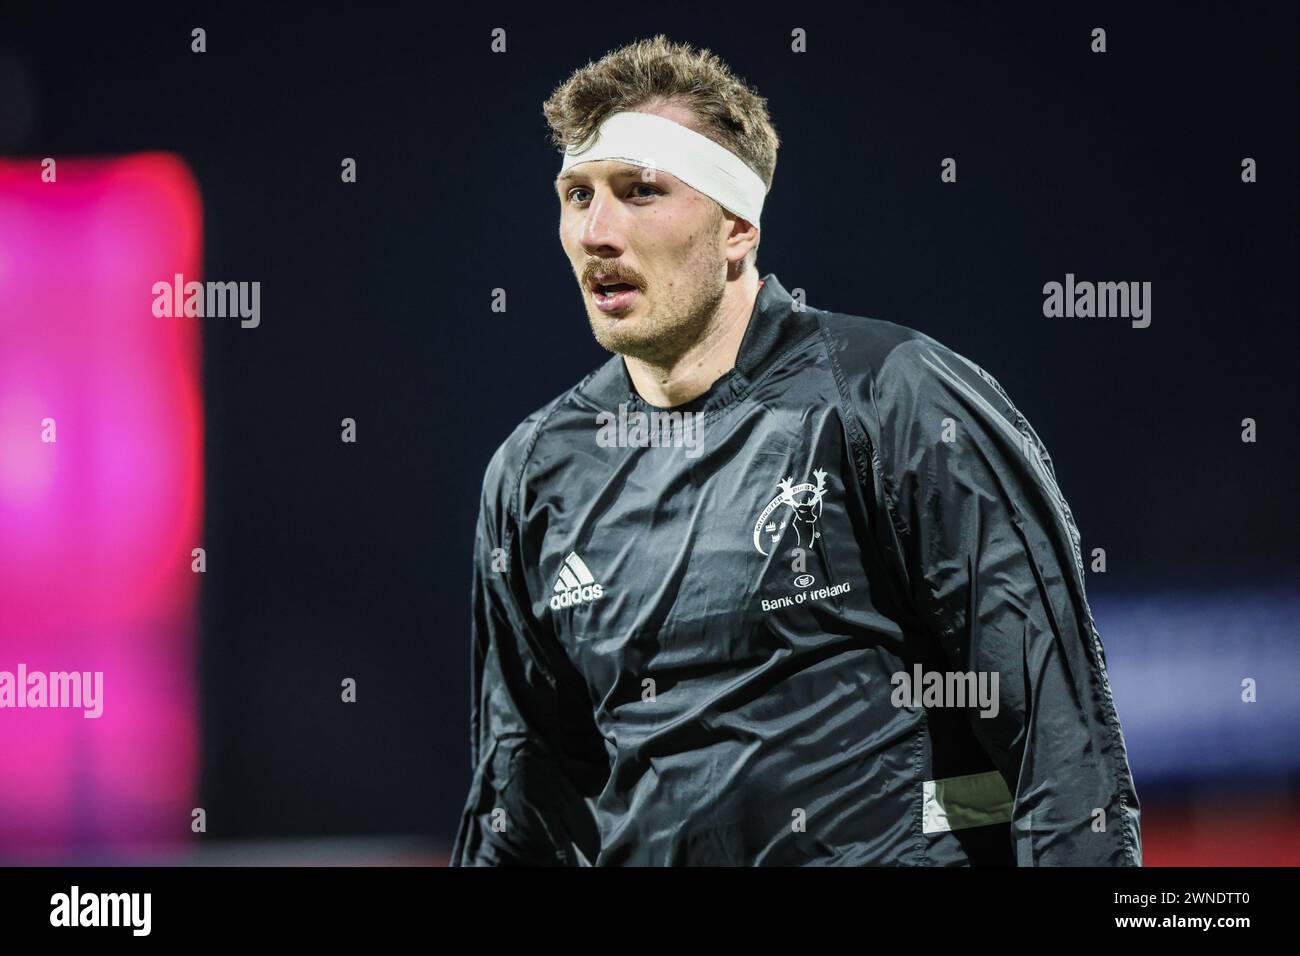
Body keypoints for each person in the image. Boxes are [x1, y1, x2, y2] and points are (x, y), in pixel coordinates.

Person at [450, 35, 1141, 866]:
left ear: (737, 225)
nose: (596, 231)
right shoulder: (534, 473)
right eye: (576, 194)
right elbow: (522, 806)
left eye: (640, 192)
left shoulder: (895, 398)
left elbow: (1061, 747)